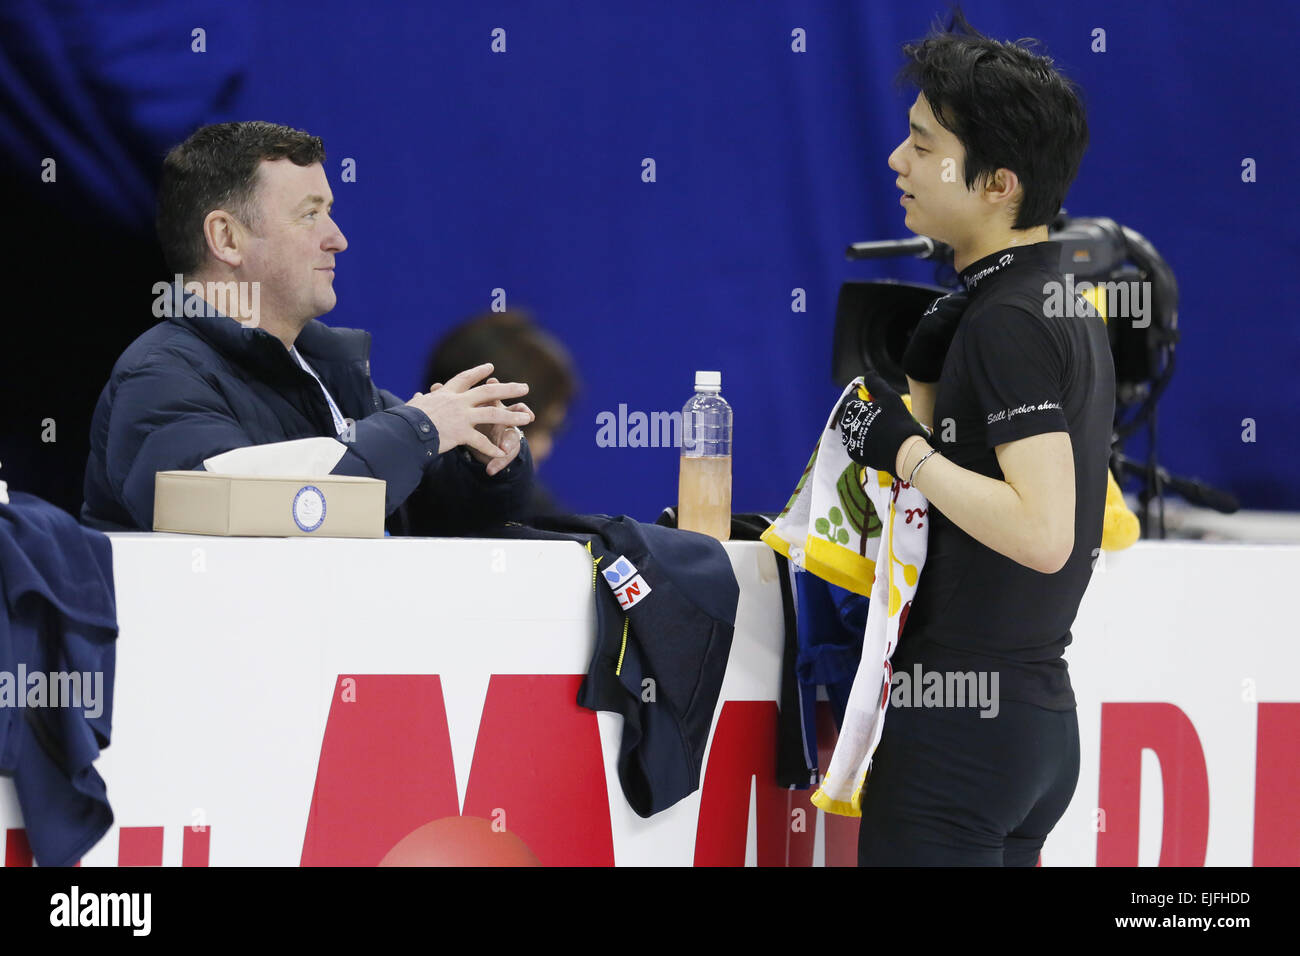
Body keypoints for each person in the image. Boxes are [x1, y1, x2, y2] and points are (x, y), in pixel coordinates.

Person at [837, 10, 1114, 865]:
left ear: (998, 183)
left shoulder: (1009, 321)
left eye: (923, 145)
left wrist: (902, 449)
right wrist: (923, 392)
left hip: (962, 736)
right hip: (1031, 726)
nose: (897, 160)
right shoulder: (1057, 301)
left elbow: (1042, 532)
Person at [81, 121, 535, 535]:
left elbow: (432, 513)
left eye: (329, 211)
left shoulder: (328, 373)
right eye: (309, 214)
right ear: (226, 238)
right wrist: (418, 430)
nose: (337, 238)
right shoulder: (159, 377)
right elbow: (259, 512)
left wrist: (486, 461)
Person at [421, 310, 579, 519]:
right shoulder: (397, 498)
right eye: (529, 426)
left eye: (552, 430)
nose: (544, 448)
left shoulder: (537, 513)